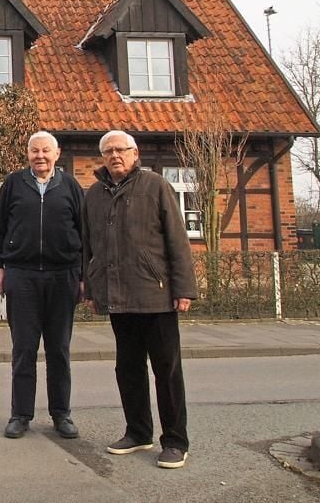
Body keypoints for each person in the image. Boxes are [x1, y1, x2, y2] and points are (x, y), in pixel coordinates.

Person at [82, 130, 198, 470]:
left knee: (167, 370)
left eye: (121, 150)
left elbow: (178, 239)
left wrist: (183, 289)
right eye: (108, 151)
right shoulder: (94, 195)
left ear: (135, 154)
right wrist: (92, 289)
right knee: (128, 369)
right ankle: (138, 432)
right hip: (118, 299)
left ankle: (175, 441)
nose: (115, 155)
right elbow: (90, 248)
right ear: (102, 157)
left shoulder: (155, 186)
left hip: (156, 295)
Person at [0, 130, 84, 440]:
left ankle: (61, 414)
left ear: (57, 154)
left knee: (59, 349)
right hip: (22, 275)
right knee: (24, 349)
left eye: (45, 151)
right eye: (34, 151)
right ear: (27, 155)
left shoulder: (70, 186)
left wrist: (82, 275)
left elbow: (86, 234)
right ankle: (21, 415)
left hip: (62, 275)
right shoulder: (15, 183)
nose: (39, 156)